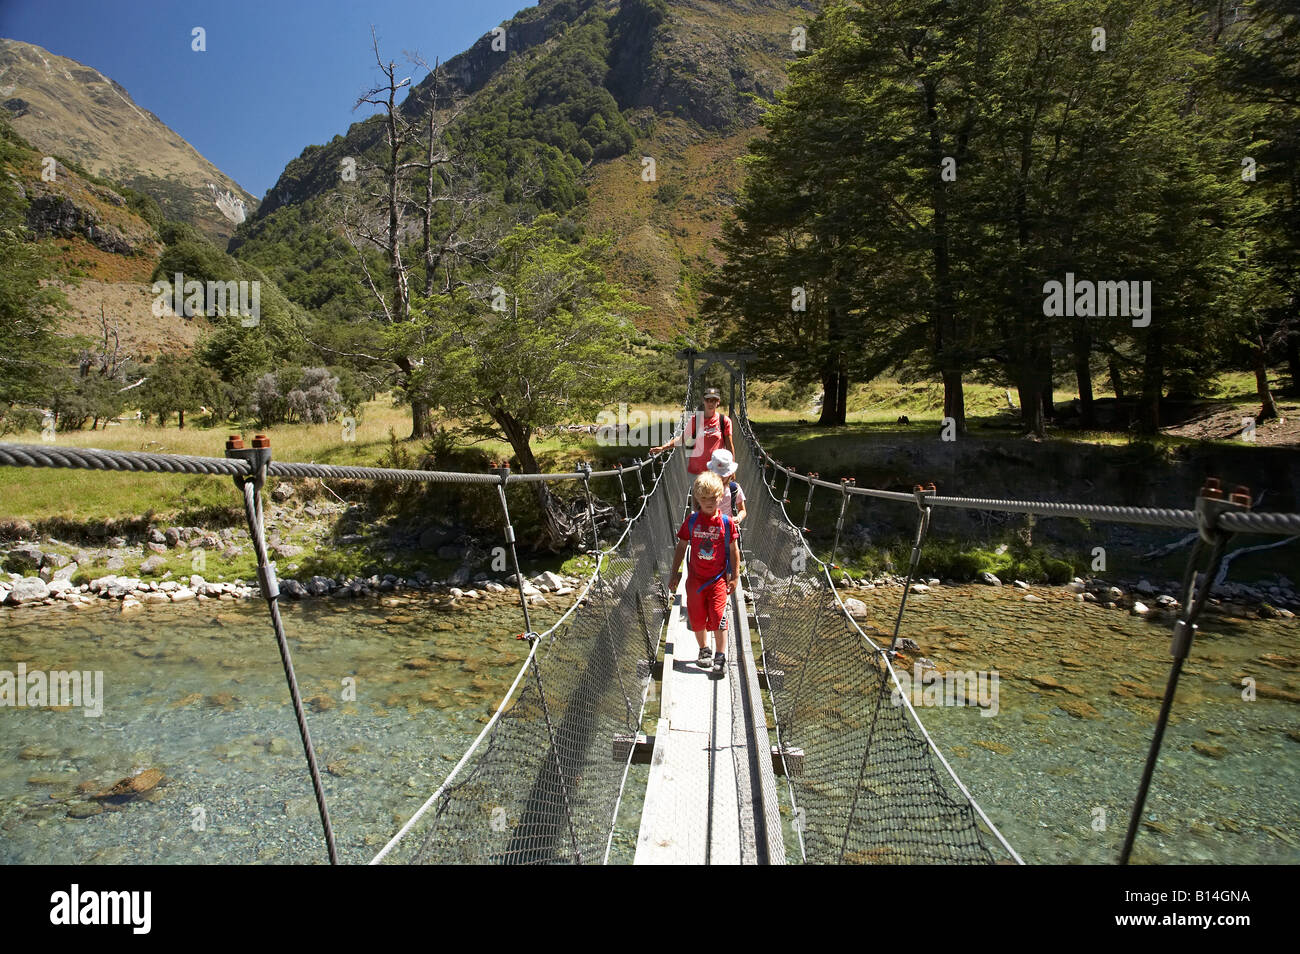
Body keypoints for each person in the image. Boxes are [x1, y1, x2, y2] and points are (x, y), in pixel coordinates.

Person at [668, 471, 741, 677]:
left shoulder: (726, 523)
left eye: (713, 498)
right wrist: (675, 574)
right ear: (697, 499)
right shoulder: (692, 521)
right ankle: (704, 649)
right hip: (695, 579)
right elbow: (681, 547)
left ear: (721, 497)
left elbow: (735, 550)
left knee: (718, 616)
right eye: (704, 498)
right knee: (697, 618)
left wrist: (735, 576)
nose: (709, 502)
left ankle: (720, 656)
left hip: (717, 579)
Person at [652, 387, 735, 477]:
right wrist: (663, 447)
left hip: (717, 470)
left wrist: (731, 469)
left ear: (718, 402)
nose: (710, 403)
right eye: (708, 400)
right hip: (698, 471)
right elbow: (682, 439)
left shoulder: (724, 420)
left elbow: (730, 446)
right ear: (703, 401)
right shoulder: (695, 420)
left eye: (714, 400)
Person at [706, 448, 746, 526]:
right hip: (707, 527)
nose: (720, 477)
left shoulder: (734, 489)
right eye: (717, 474)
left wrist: (738, 517)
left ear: (730, 474)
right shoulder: (705, 487)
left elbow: (742, 510)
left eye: (723, 475)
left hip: (726, 527)